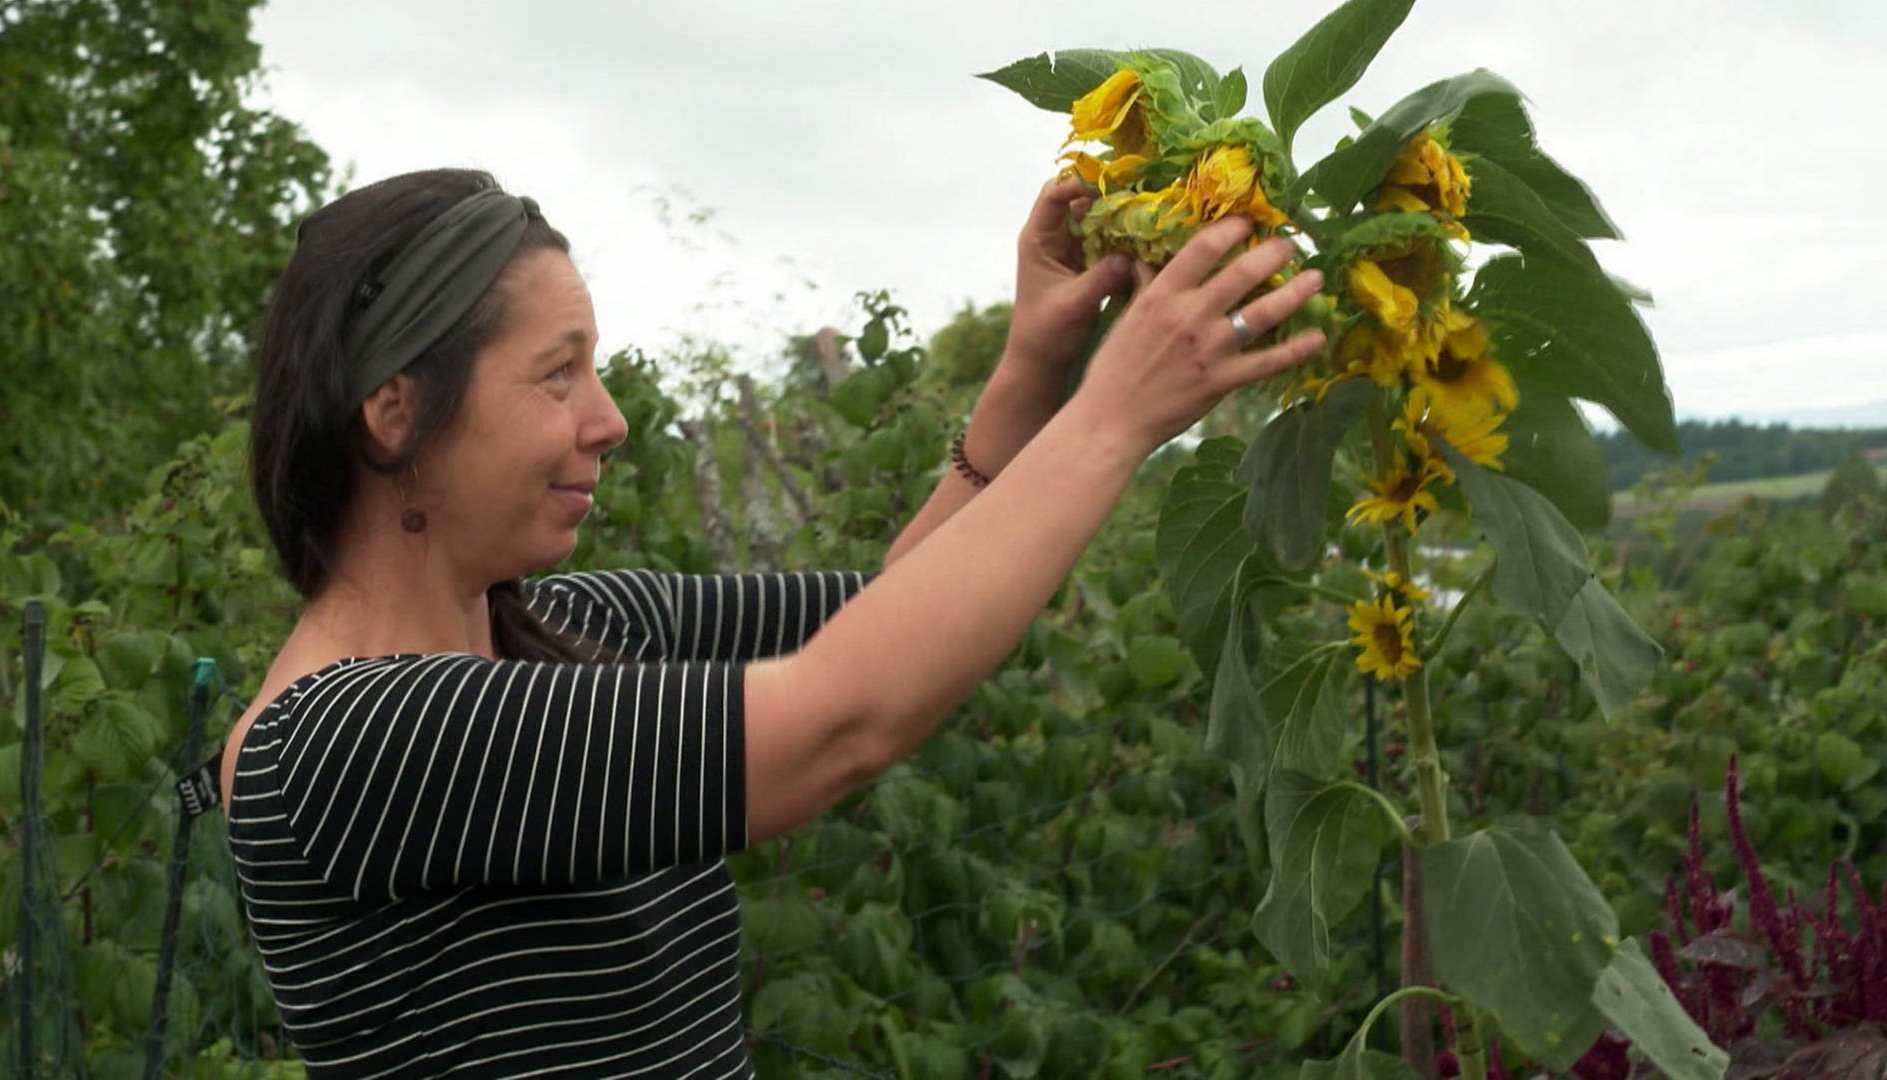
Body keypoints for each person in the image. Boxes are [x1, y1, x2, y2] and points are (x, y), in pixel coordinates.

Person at [221, 166, 1325, 1078]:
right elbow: (838, 722)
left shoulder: (568, 627)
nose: (608, 421)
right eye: (558, 377)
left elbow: (893, 616)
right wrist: (1116, 417)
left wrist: (1038, 366)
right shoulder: (338, 740)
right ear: (395, 414)